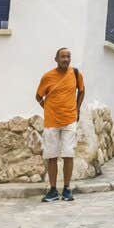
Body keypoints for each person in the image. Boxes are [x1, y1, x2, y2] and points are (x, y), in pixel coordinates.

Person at [35, 47, 85, 203]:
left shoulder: (75, 74)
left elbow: (82, 91)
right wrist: (48, 109)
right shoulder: (47, 77)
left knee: (68, 154)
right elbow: (38, 96)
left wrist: (77, 109)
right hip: (51, 122)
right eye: (62, 57)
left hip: (70, 120)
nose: (66, 59)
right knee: (51, 156)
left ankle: (67, 188)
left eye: (68, 56)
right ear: (56, 59)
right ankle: (52, 190)